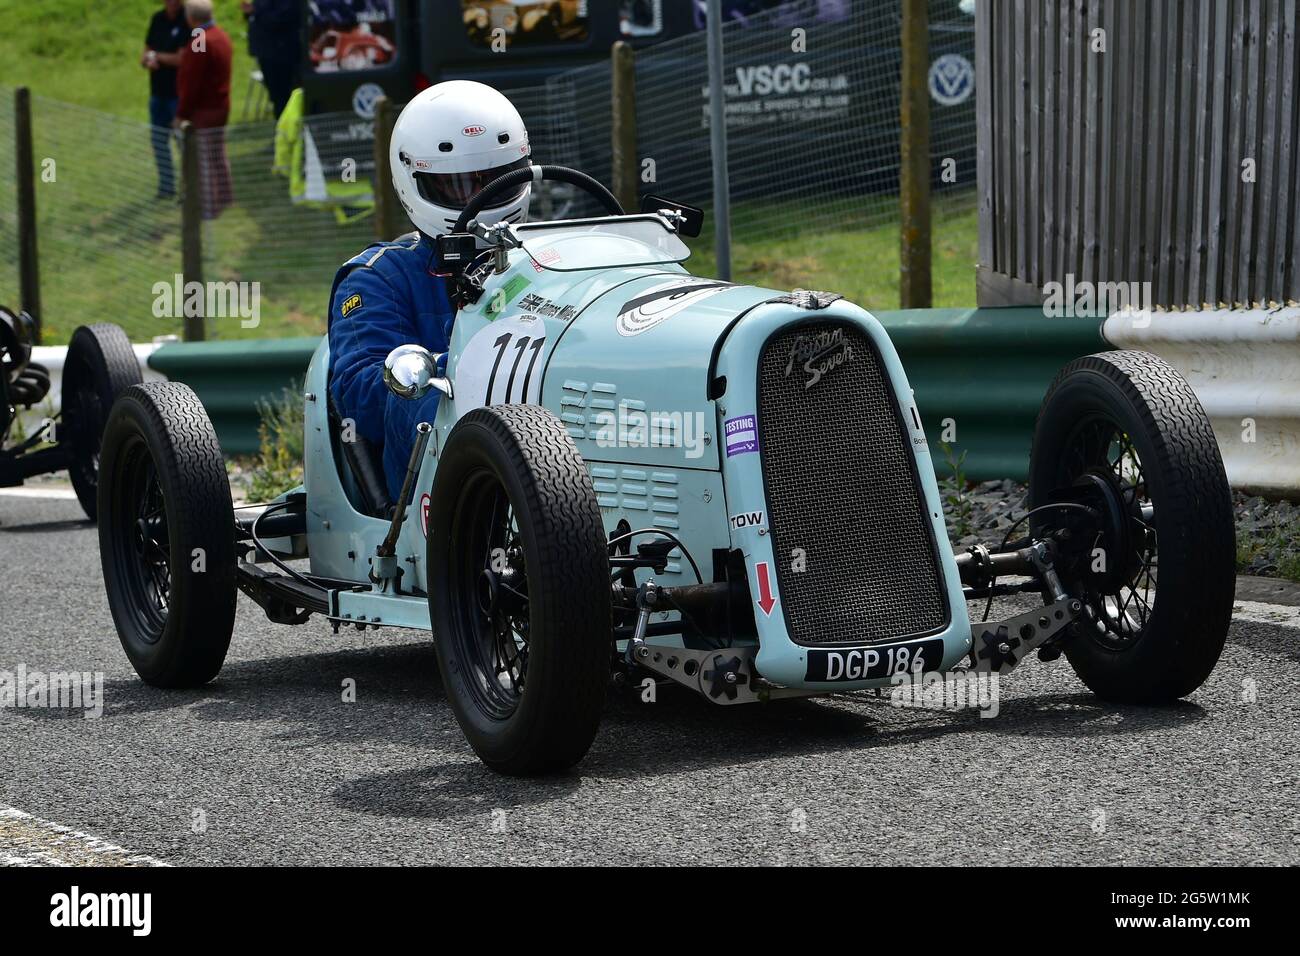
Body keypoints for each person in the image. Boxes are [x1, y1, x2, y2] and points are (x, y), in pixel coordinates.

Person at [328, 81, 533, 500]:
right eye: (460, 185)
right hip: (432, 483)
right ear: (415, 180)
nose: (479, 198)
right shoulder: (379, 278)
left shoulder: (548, 259)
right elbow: (359, 396)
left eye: (495, 181)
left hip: (551, 463)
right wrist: (455, 368)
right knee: (415, 395)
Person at [175, 0, 234, 220]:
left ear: (191, 18)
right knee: (218, 154)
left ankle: (210, 208)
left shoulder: (200, 40)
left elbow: (192, 81)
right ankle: (226, 196)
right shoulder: (221, 35)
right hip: (221, 105)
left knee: (205, 160)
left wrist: (182, 112)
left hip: (205, 110)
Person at [142, 0, 188, 199]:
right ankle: (166, 186)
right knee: (159, 141)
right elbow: (145, 51)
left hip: (179, 95)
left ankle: (190, 187)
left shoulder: (190, 20)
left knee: (184, 142)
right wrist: (147, 59)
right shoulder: (157, 19)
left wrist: (157, 56)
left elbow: (183, 59)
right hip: (157, 93)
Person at [241, 0, 301, 118]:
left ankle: (286, 126)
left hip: (281, 51)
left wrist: (255, 10)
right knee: (275, 94)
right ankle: (281, 125)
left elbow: (284, 17)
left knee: (282, 94)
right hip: (266, 50)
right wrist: (249, 10)